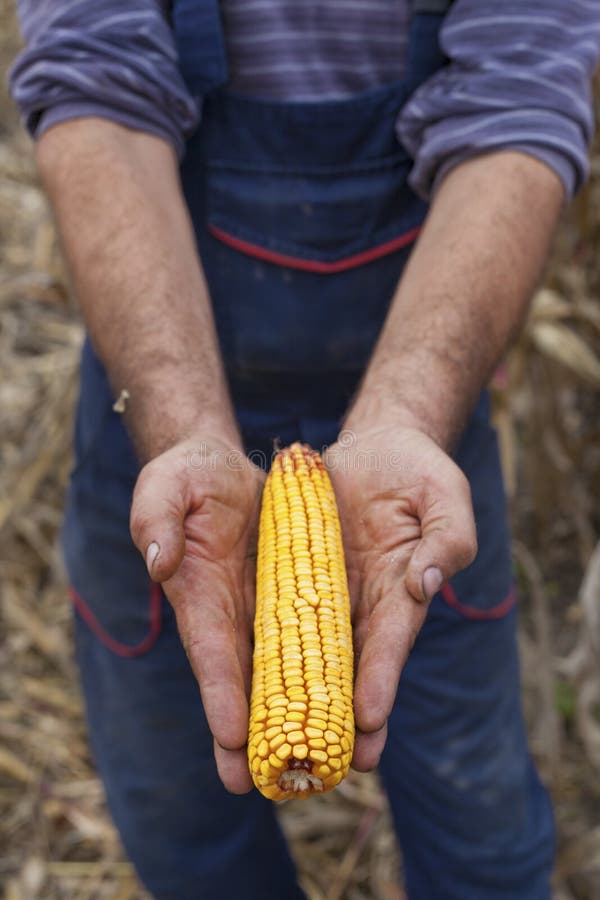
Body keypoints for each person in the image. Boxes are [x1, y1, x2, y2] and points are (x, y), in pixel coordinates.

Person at [9, 1, 600, 897]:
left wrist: (405, 415)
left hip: (424, 419)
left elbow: (515, 104)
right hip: (157, 401)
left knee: (479, 833)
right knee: (187, 830)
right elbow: (100, 89)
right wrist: (185, 430)